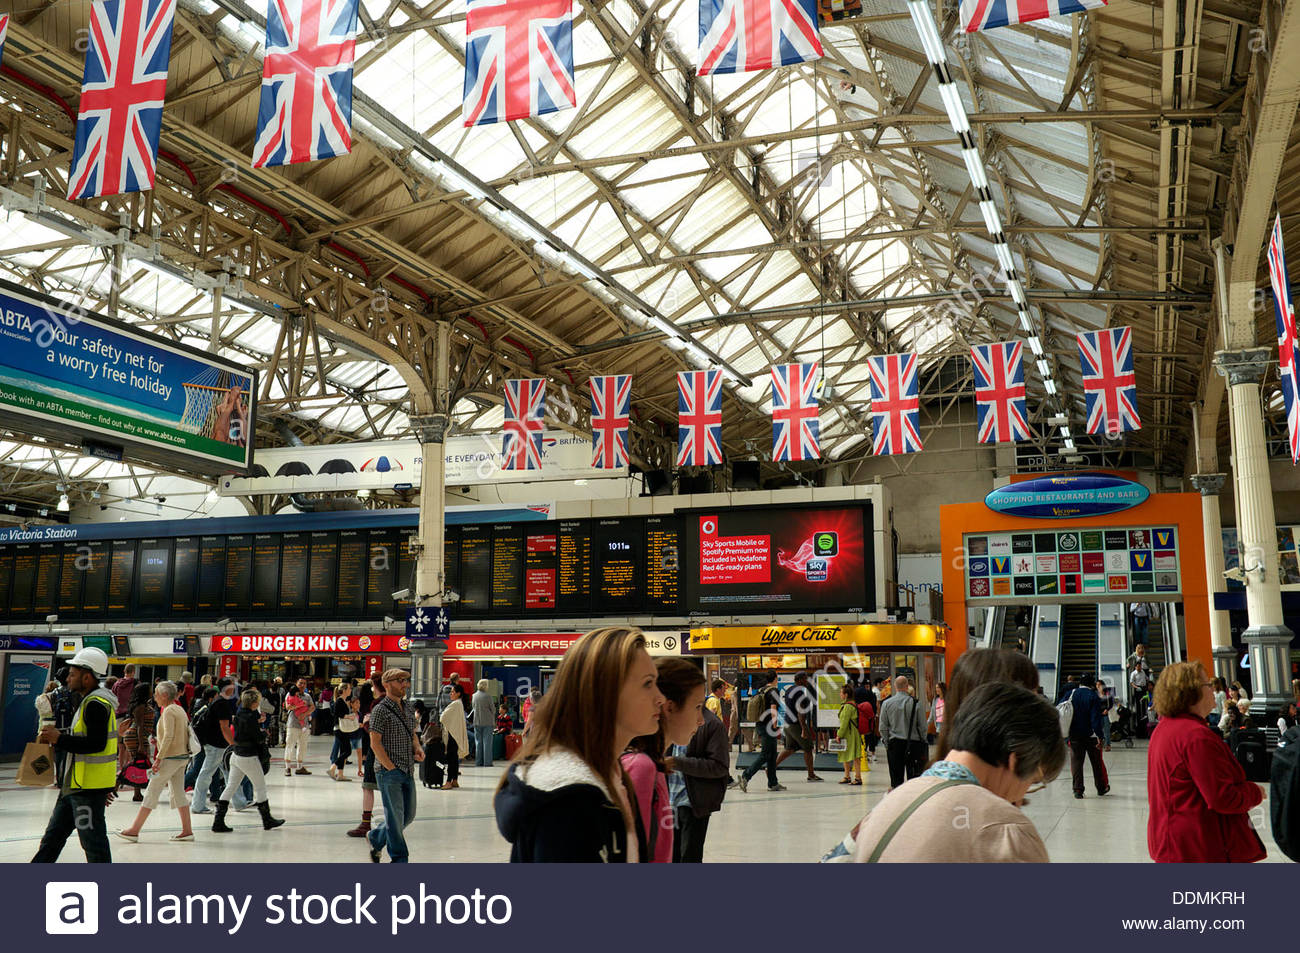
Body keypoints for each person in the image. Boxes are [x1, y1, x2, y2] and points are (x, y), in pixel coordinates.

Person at [495, 626, 662, 862]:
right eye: (648, 683)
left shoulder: (613, 776)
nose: (661, 698)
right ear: (606, 693)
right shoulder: (568, 802)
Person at [851, 683, 1064, 862]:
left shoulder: (887, 805)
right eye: (1033, 782)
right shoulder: (1006, 831)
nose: (1020, 800)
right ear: (1015, 760)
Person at [1147, 660, 1267, 862]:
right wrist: (1255, 792)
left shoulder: (1165, 729)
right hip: (1199, 847)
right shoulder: (1196, 737)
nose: (1212, 690)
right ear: (1191, 692)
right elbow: (1222, 797)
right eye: (1207, 685)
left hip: (1172, 841)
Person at [31, 648, 118, 863]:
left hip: (86, 789)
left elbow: (96, 744)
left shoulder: (95, 705)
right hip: (76, 785)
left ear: (87, 677)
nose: (68, 678)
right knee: (52, 839)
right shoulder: (88, 702)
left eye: (72, 674)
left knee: (93, 844)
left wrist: (59, 739)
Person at [116, 681, 195, 843]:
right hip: (181, 757)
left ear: (165, 695)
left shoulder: (168, 712)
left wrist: (158, 758)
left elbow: (169, 736)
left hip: (170, 758)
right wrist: (159, 742)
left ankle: (134, 830)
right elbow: (179, 735)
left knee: (152, 790)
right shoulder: (179, 709)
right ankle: (187, 831)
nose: (155, 697)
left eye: (157, 694)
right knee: (179, 793)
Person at [669, 664, 730, 863]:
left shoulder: (711, 725)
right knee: (670, 854)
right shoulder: (670, 719)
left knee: (689, 856)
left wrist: (677, 763)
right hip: (668, 802)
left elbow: (719, 766)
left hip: (694, 802)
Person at [367, 669, 424, 863]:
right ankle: (400, 858)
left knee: (407, 815)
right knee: (394, 817)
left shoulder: (408, 707)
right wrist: (389, 767)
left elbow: (413, 733)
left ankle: (376, 837)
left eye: (407, 680)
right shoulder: (380, 710)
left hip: (407, 768)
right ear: (387, 684)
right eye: (400, 681)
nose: (405, 684)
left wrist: (417, 748)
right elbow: (375, 742)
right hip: (388, 772)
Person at [212, 689, 284, 833]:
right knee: (261, 787)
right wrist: (263, 733)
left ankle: (218, 821)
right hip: (248, 757)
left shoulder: (240, 713)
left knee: (230, 786)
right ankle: (267, 819)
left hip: (236, 755)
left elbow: (244, 728)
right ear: (254, 702)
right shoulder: (251, 717)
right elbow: (257, 737)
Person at [190, 679, 247, 815]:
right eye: (232, 687)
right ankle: (198, 805)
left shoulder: (218, 702)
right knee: (207, 773)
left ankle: (239, 802)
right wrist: (233, 744)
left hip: (216, 744)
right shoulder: (221, 703)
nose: (234, 690)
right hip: (217, 745)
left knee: (229, 771)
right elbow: (224, 727)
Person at [737, 670, 786, 793]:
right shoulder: (774, 691)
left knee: (772, 755)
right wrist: (775, 726)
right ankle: (745, 776)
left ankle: (773, 783)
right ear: (775, 678)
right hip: (769, 726)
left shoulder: (761, 690)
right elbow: (773, 708)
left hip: (760, 724)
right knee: (765, 754)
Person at [348, 676, 385, 838]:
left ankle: (366, 823)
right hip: (396, 752)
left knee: (368, 785)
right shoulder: (401, 703)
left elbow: (373, 729)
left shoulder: (378, 704)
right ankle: (392, 821)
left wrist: (367, 723)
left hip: (377, 749)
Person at [879, 675, 927, 790]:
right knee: (914, 779)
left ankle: (898, 803)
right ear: (907, 686)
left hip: (895, 744)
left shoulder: (886, 704)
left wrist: (887, 743)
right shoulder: (916, 703)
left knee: (896, 781)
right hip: (913, 744)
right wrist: (923, 741)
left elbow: (883, 727)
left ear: (895, 686)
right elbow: (922, 726)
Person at [1065, 673, 1109, 799]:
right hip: (1090, 735)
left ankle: (1078, 790)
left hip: (1074, 734)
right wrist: (1100, 736)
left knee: (1077, 762)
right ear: (1091, 684)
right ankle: (1101, 788)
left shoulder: (1071, 694)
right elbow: (1095, 719)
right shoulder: (1093, 696)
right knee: (1096, 763)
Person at [774, 672, 823, 781]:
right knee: (808, 748)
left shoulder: (790, 689)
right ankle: (811, 775)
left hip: (787, 724)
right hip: (796, 725)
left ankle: (771, 768)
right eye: (805, 679)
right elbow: (801, 712)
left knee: (790, 748)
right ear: (800, 680)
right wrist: (804, 729)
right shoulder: (800, 692)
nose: (807, 681)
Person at [118, 681, 156, 802]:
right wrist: (141, 745)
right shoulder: (140, 706)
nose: (152, 692)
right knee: (137, 762)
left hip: (136, 736)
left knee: (138, 763)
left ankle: (137, 793)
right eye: (150, 690)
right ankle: (116, 783)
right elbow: (139, 726)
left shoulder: (143, 705)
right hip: (136, 736)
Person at [439, 681, 469, 789]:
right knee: (454, 758)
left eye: (452, 692)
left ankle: (448, 782)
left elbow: (443, 717)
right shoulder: (459, 703)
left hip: (453, 734)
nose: (450, 694)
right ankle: (455, 780)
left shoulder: (455, 704)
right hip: (455, 734)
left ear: (458, 693)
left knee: (451, 758)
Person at [330, 683, 360, 781]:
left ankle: (340, 773)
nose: (350, 690)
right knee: (347, 751)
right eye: (349, 688)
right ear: (344, 690)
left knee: (344, 750)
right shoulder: (339, 701)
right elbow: (337, 714)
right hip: (340, 729)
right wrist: (348, 716)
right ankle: (333, 767)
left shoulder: (343, 701)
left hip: (343, 729)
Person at [836, 684, 863, 785]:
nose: (840, 694)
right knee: (849, 754)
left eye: (841, 693)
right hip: (852, 732)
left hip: (849, 733)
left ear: (846, 695)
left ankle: (857, 777)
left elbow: (844, 722)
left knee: (853, 755)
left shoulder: (847, 707)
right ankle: (848, 776)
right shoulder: (852, 704)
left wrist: (839, 734)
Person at [283, 685, 312, 775]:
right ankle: (287, 768)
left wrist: (305, 714)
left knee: (303, 745)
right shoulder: (289, 695)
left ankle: (300, 767)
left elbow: (312, 707)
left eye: (304, 683)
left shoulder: (307, 696)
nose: (302, 686)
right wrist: (299, 705)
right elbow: (288, 707)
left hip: (304, 724)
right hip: (293, 724)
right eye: (300, 683)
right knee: (290, 745)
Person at [472, 679, 496, 767]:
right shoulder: (488, 696)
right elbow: (493, 710)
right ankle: (487, 762)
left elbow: (473, 707)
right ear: (486, 686)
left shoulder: (474, 696)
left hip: (477, 721)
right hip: (487, 722)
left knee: (478, 742)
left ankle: (478, 762)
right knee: (487, 743)